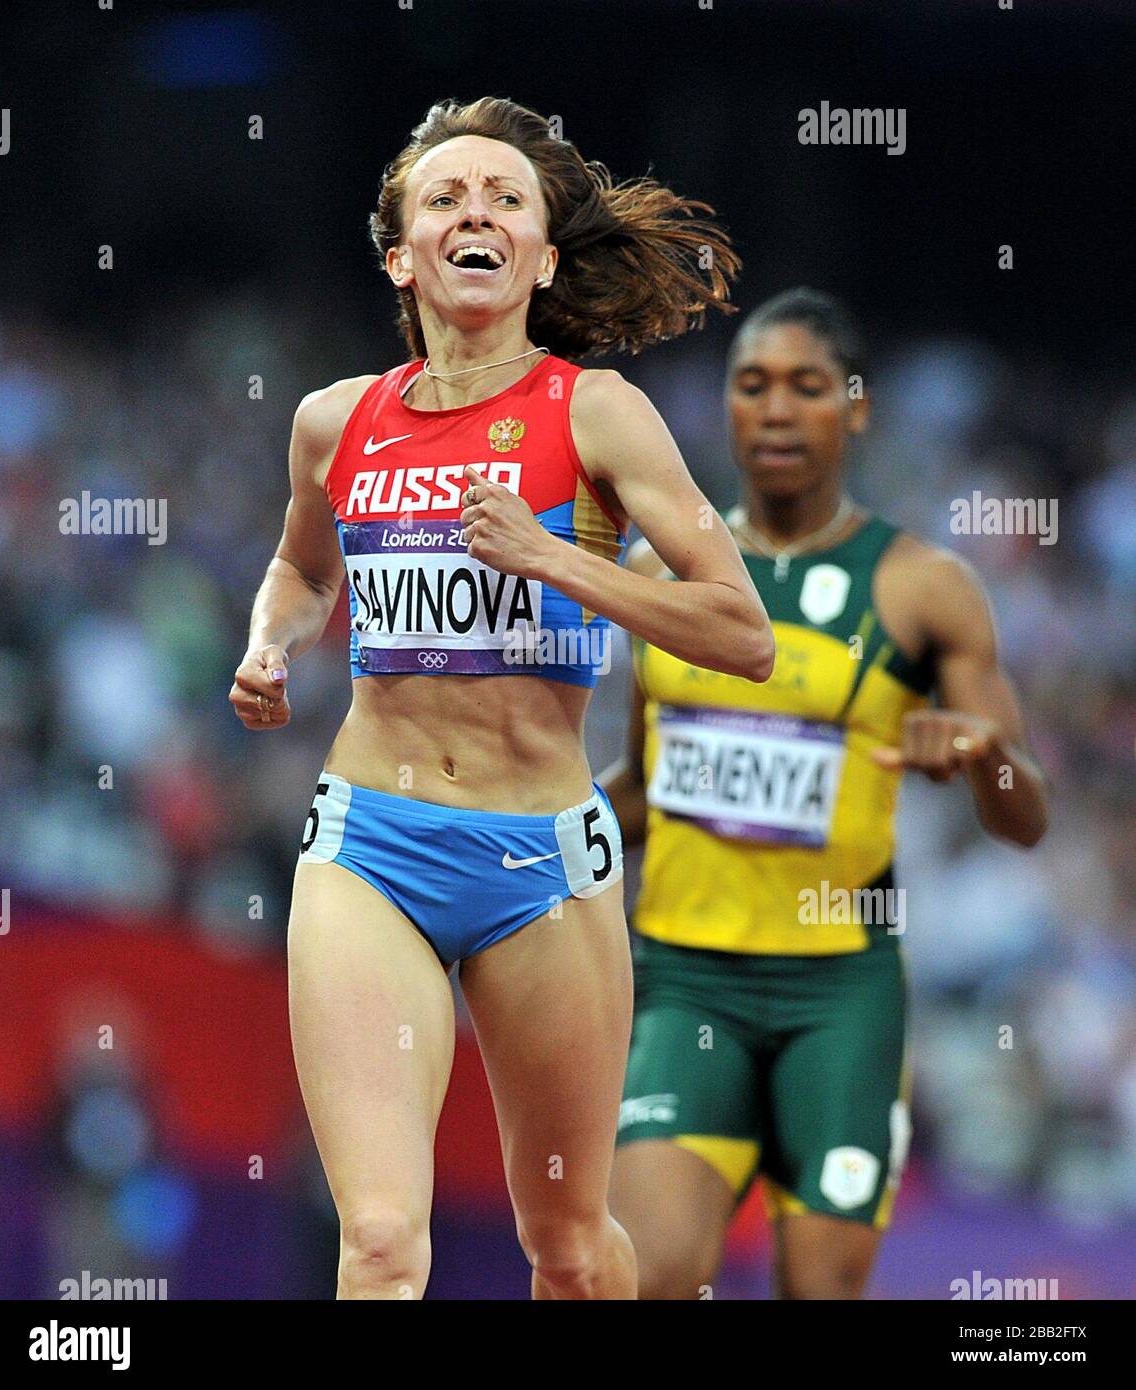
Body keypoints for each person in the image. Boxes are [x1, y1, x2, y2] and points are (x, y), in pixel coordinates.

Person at [227, 97, 774, 1301]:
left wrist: (557, 557)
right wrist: (272, 643)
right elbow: (303, 567)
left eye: (504, 201)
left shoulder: (596, 415)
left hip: (543, 863)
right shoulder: (334, 422)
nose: (475, 212)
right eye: (445, 198)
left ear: (539, 255)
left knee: (570, 1251)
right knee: (377, 1241)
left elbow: (743, 632)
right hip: (370, 841)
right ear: (400, 253)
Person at [604, 287, 1049, 1299]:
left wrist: (983, 753)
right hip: (686, 981)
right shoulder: (658, 571)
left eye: (804, 387)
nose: (771, 409)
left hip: (836, 1000)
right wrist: (544, 827)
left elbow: (1025, 814)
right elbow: (643, 786)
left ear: (852, 408)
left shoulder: (921, 587)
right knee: (645, 1275)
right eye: (749, 385)